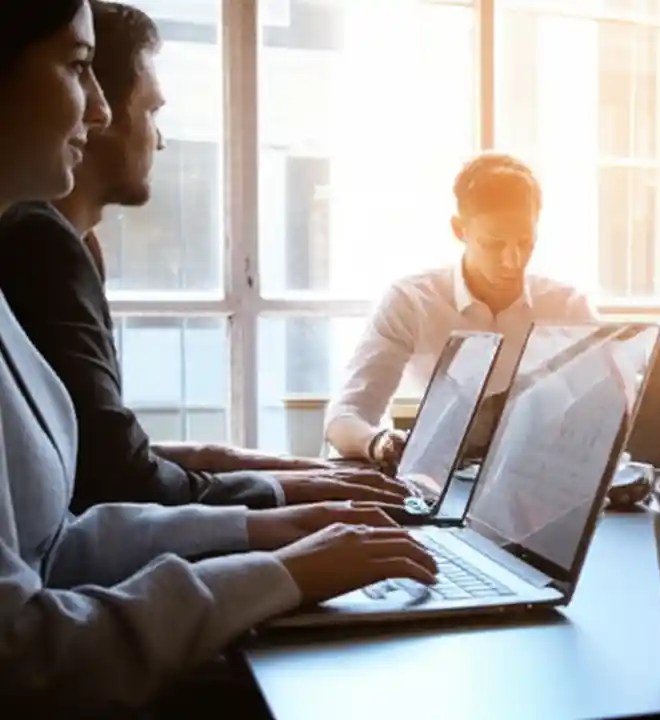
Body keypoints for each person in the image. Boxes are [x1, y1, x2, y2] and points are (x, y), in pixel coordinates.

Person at [0, 1, 438, 711]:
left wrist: (264, 529)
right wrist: (278, 569)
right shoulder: (39, 245)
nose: (102, 114)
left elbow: (54, 545)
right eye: (79, 68)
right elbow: (22, 655)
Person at [0, 1, 411, 513]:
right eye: (151, 111)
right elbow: (115, 476)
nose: (161, 138)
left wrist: (287, 471)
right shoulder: (40, 244)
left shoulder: (72, 243)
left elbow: (98, 449)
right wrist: (284, 500)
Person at [325, 152, 596, 470]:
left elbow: (609, 414)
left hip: (540, 476)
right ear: (460, 230)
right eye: (494, 244)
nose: (513, 260)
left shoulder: (568, 307)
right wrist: (379, 442)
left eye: (525, 242)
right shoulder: (411, 301)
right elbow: (344, 416)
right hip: (437, 478)